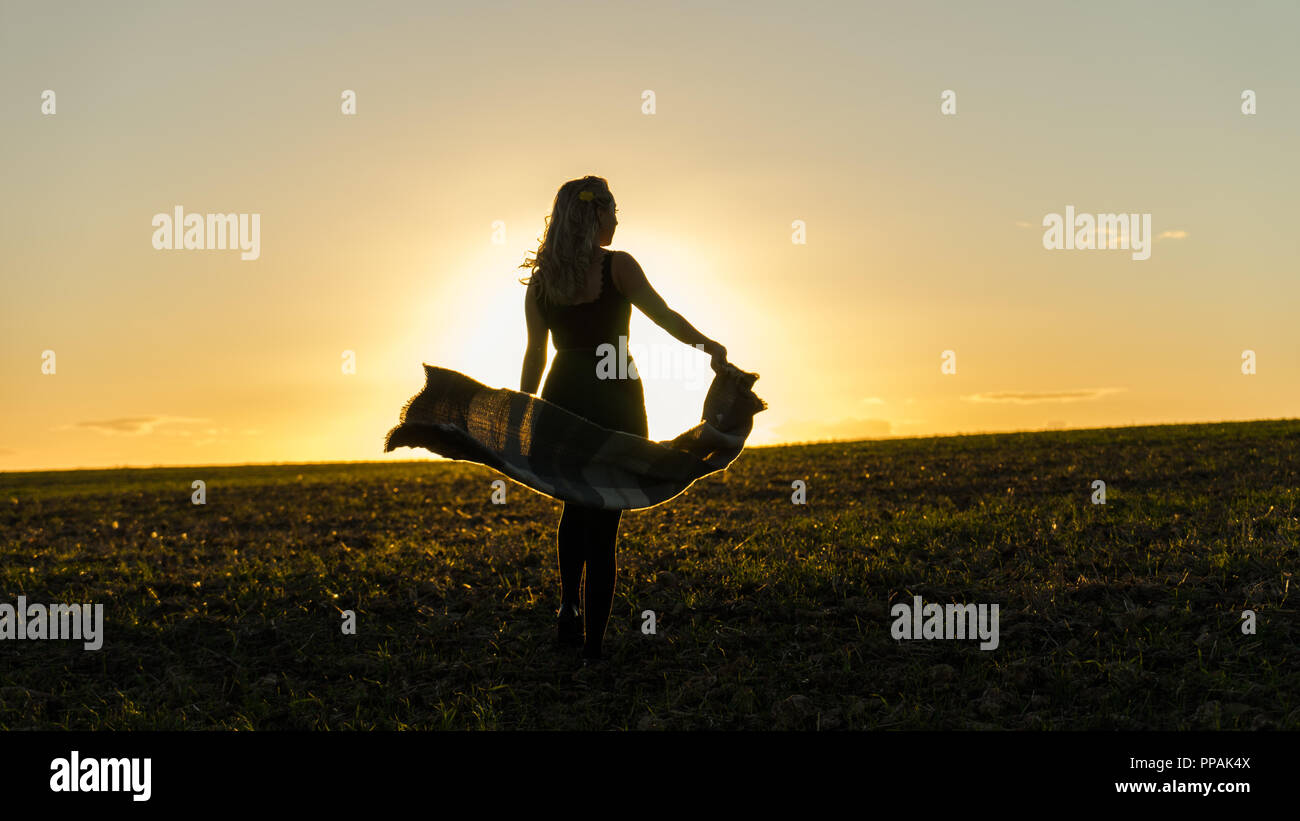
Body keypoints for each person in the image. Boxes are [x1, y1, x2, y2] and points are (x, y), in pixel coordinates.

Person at [518, 176, 727, 663]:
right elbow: (666, 316)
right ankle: (593, 646)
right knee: (605, 516)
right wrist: (709, 348)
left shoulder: (543, 280)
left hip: (563, 395)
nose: (616, 220)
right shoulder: (619, 267)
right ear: (596, 215)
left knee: (574, 504)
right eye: (613, 212)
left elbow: (534, 355)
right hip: (615, 396)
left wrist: (523, 409)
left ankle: (568, 607)